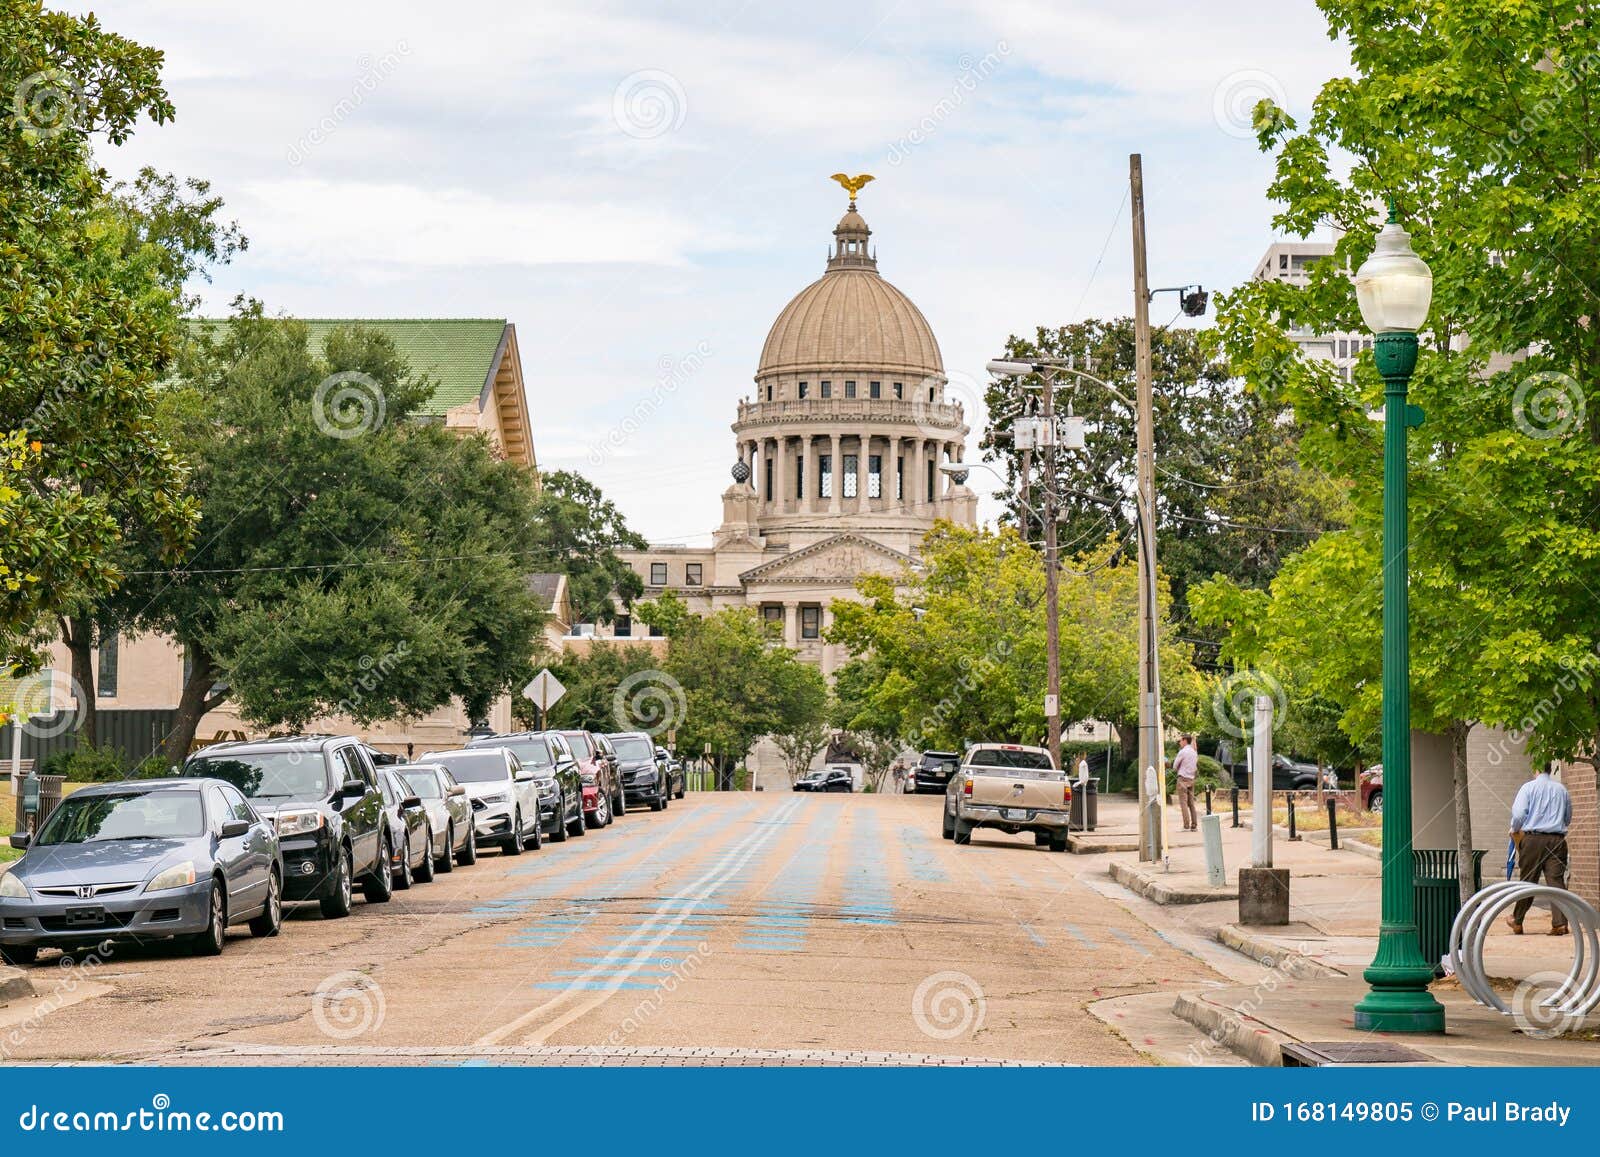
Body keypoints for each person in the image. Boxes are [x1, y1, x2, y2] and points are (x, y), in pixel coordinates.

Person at [1508, 762, 1573, 935]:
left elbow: (1519, 814)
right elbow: (1567, 817)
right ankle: (1560, 923)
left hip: (1533, 839)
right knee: (1556, 881)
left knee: (1528, 881)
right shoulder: (1562, 790)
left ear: (1535, 769)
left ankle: (1517, 920)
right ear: (1550, 769)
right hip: (1557, 840)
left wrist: (1515, 829)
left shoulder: (1528, 788)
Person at [1172, 735, 1199, 832]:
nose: (1179, 742)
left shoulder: (1182, 752)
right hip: (1191, 779)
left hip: (1182, 779)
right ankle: (1194, 825)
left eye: (1180, 740)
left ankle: (1186, 826)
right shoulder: (1194, 752)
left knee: (1183, 803)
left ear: (1184, 741)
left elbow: (1175, 766)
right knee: (1191, 803)